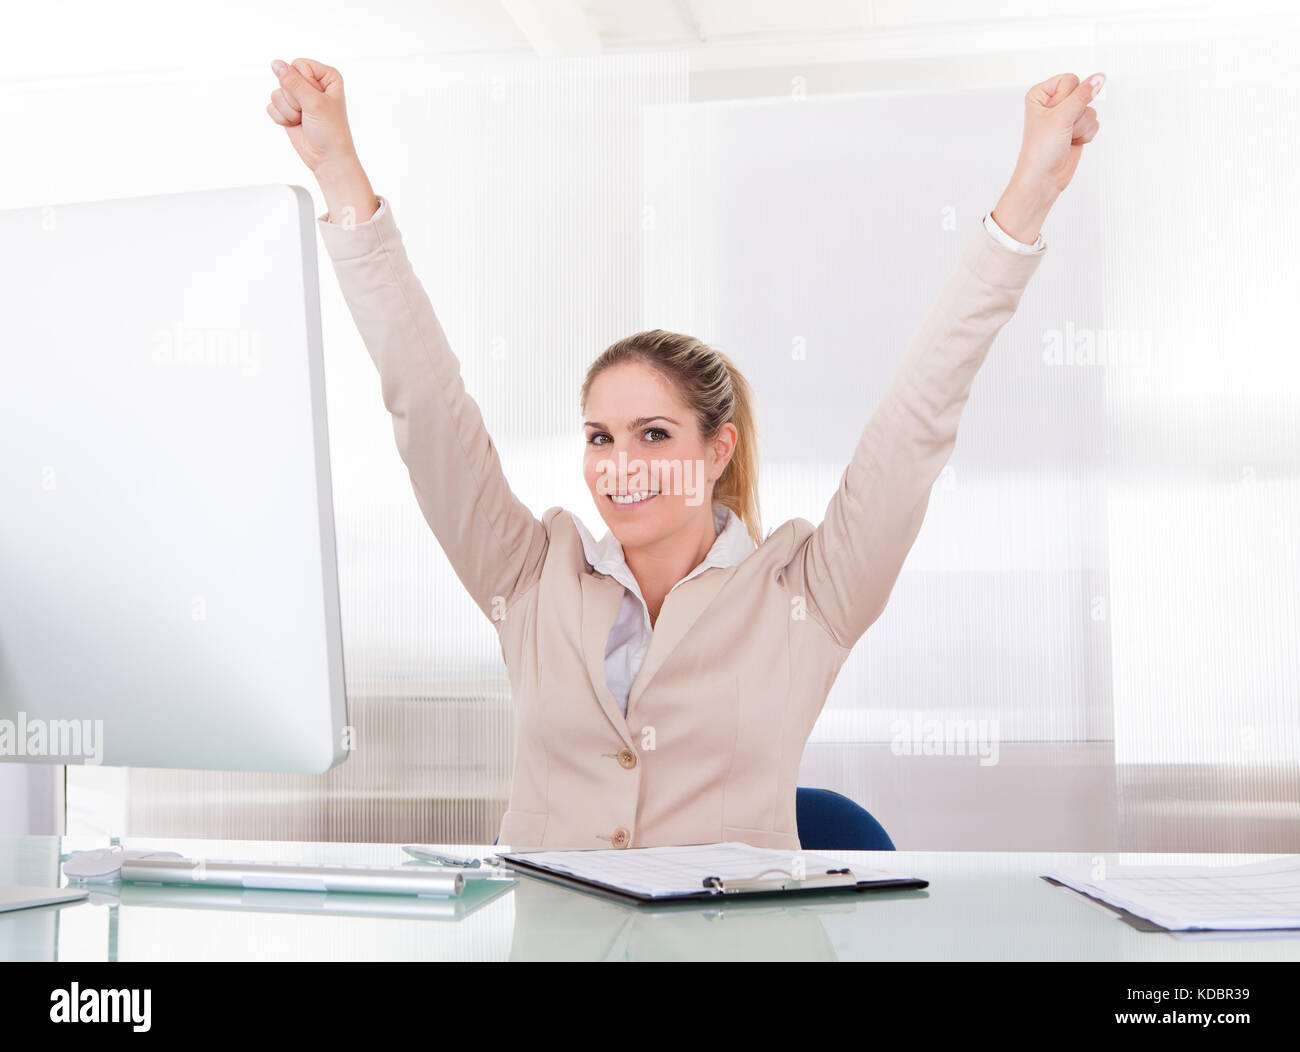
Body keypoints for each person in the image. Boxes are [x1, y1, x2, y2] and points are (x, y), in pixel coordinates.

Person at [266, 58, 1103, 850]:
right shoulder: (529, 577)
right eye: (600, 437)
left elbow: (921, 412)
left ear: (718, 449)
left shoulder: (809, 589)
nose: (619, 463)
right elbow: (426, 404)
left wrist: (1024, 201)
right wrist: (341, 177)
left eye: (654, 435)